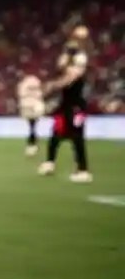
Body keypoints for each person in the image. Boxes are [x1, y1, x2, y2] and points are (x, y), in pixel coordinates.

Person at [38, 26, 92, 182]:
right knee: (56, 133)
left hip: (77, 105)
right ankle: (49, 163)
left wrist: (52, 85)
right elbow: (61, 69)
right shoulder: (68, 61)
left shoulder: (80, 62)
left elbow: (70, 78)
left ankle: (83, 170)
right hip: (65, 104)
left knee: (77, 137)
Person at [16, 73, 43, 156]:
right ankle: (33, 143)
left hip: (32, 107)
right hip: (32, 106)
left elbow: (21, 95)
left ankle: (32, 144)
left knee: (32, 125)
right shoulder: (35, 85)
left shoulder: (23, 86)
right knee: (32, 125)